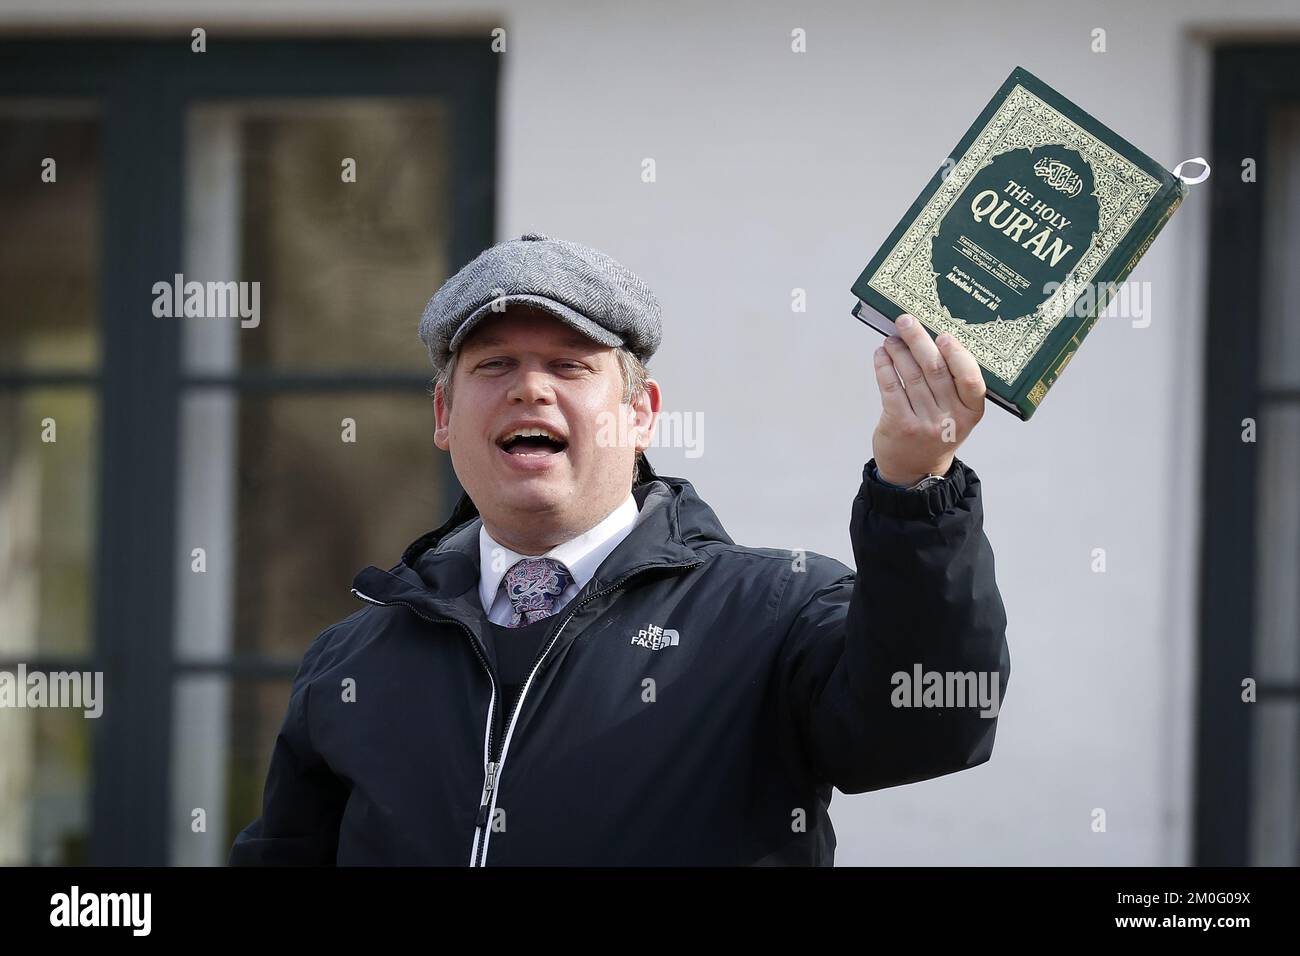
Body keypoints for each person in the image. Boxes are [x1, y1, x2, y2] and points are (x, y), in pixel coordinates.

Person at [228, 232, 1009, 866]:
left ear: (642, 415)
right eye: (494, 364)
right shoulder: (353, 661)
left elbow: (929, 722)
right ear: (444, 413)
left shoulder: (773, 614)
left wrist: (916, 486)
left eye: (569, 365)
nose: (530, 388)